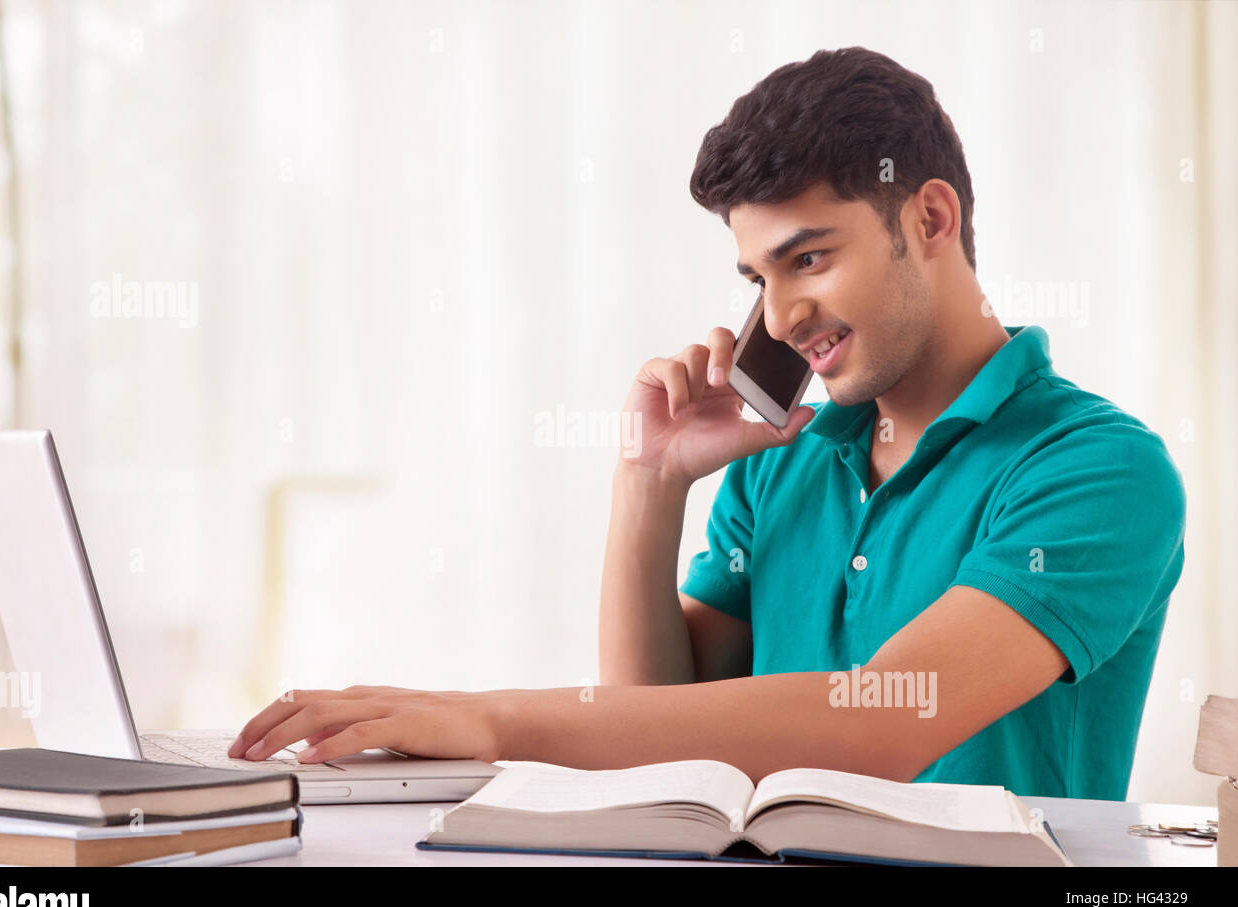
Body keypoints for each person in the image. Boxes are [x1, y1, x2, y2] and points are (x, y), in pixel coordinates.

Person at [229, 47, 1186, 800]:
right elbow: (654, 741)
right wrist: (648, 487)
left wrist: (490, 719)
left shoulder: (1098, 469)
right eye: (758, 279)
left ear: (930, 218)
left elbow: (886, 720)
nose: (778, 318)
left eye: (808, 258)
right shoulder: (785, 463)